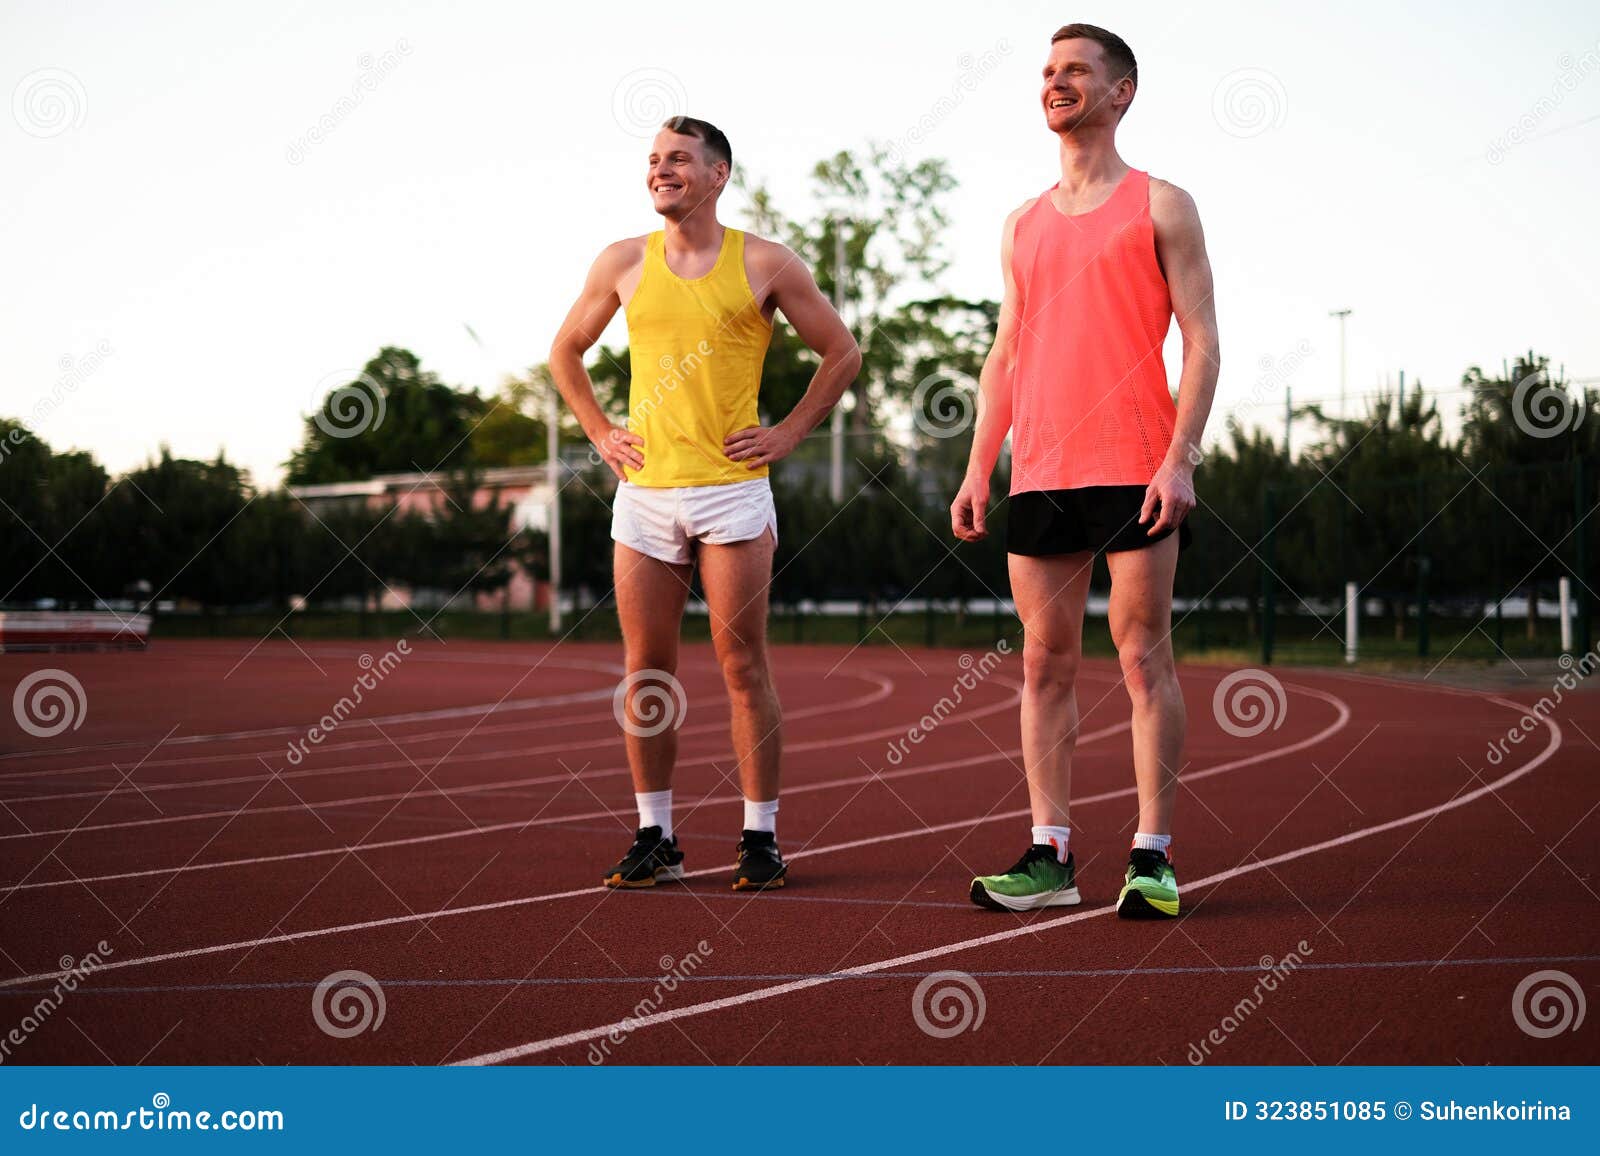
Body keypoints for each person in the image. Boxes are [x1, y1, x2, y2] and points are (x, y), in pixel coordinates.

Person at [550, 116, 860, 891]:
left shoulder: (764, 261)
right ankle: (655, 833)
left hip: (731, 494)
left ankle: (761, 837)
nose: (661, 170)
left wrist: (789, 432)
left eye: (679, 159)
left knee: (741, 663)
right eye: (654, 160)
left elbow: (843, 351)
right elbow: (564, 350)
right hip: (645, 497)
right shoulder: (623, 260)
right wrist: (598, 431)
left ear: (719, 174)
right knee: (646, 669)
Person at [952, 25, 1219, 918]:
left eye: (1075, 71)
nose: (1054, 82)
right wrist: (979, 465)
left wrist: (1180, 459)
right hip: (1042, 473)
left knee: (1142, 659)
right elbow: (1005, 355)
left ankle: (1152, 857)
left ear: (1122, 92)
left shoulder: (1162, 205)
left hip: (1137, 466)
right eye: (1047, 72)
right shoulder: (1020, 224)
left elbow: (1204, 339)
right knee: (1043, 664)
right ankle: (1050, 855)